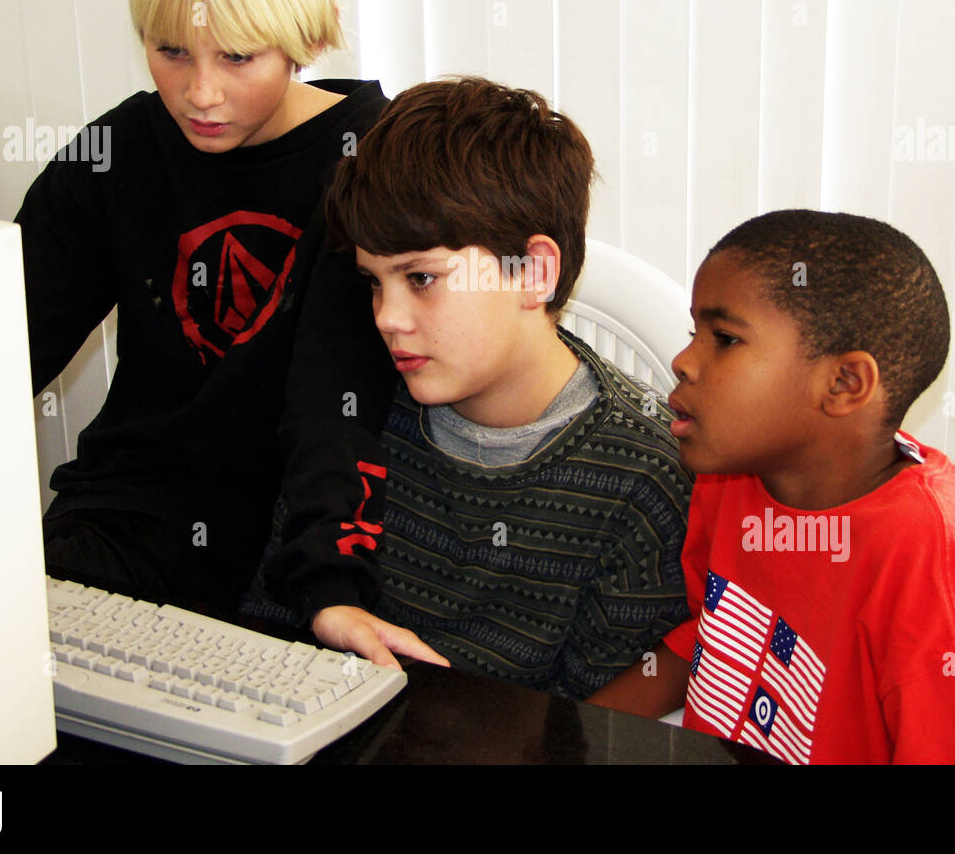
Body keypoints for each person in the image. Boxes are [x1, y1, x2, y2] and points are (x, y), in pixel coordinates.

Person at [17, 0, 436, 665]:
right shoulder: (119, 154)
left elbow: (334, 398)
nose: (198, 93)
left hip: (281, 529)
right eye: (170, 51)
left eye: (238, 58)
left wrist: (331, 586)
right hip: (123, 522)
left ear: (308, 35)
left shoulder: (366, 159)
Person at [245, 77, 692, 698]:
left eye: (421, 278)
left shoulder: (642, 484)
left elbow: (598, 732)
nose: (386, 317)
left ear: (533, 272)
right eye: (374, 282)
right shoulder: (356, 411)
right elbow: (274, 622)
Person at [588, 209, 955, 763]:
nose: (683, 361)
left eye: (724, 339)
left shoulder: (929, 570)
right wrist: (565, 736)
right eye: (693, 333)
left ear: (845, 384)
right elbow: (708, 643)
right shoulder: (732, 478)